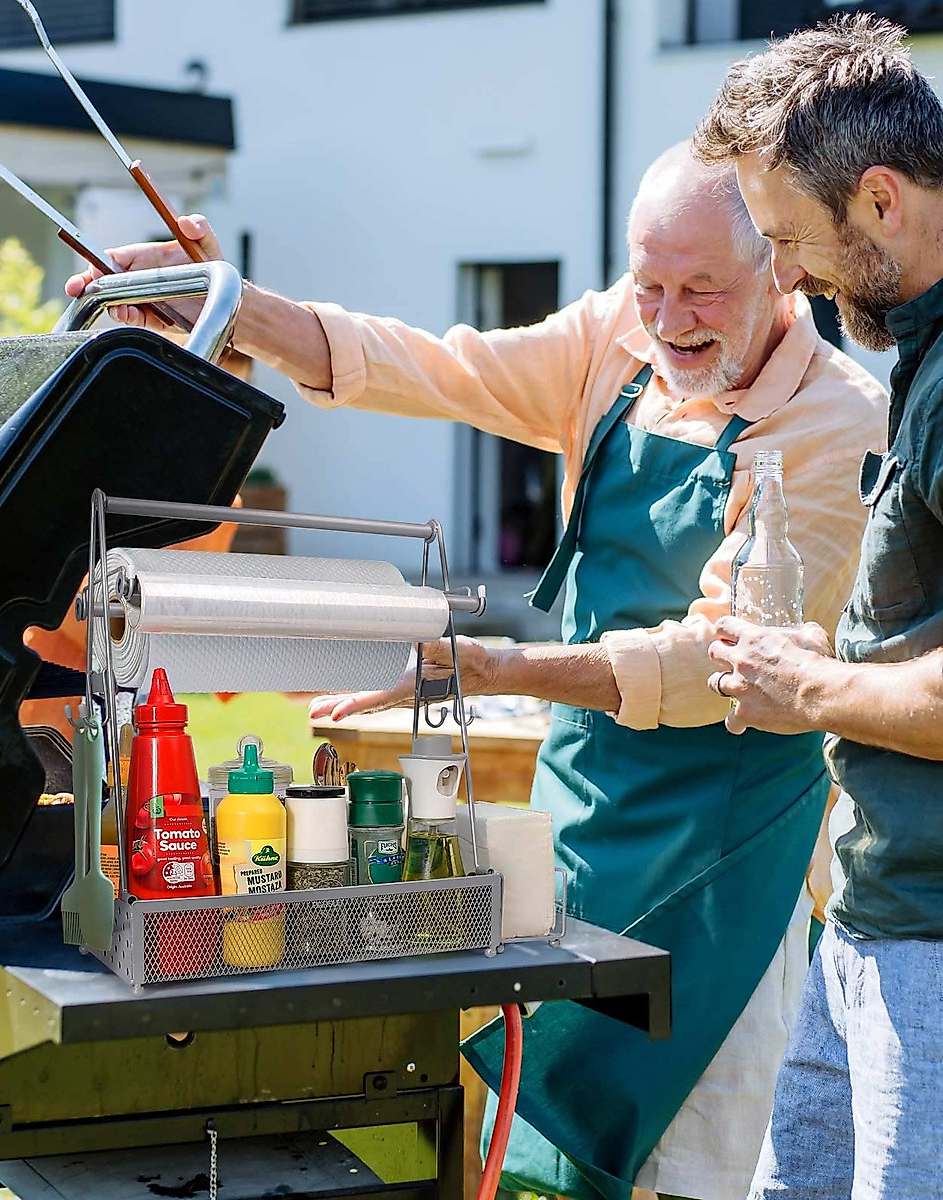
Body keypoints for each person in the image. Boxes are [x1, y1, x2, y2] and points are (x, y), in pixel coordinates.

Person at [66, 144, 887, 1200]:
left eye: (700, 290)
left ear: (780, 267)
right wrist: (228, 306)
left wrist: (488, 661)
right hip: (580, 814)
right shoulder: (617, 340)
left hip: (729, 857)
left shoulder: (838, 420)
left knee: (698, 1167)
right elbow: (437, 365)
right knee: (541, 1155)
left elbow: (715, 663)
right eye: (647, 284)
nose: (667, 316)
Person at [693, 14, 943, 1198]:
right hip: (870, 922)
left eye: (790, 239)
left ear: (881, 200)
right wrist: (826, 649)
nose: (783, 275)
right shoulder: (924, 364)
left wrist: (809, 687)